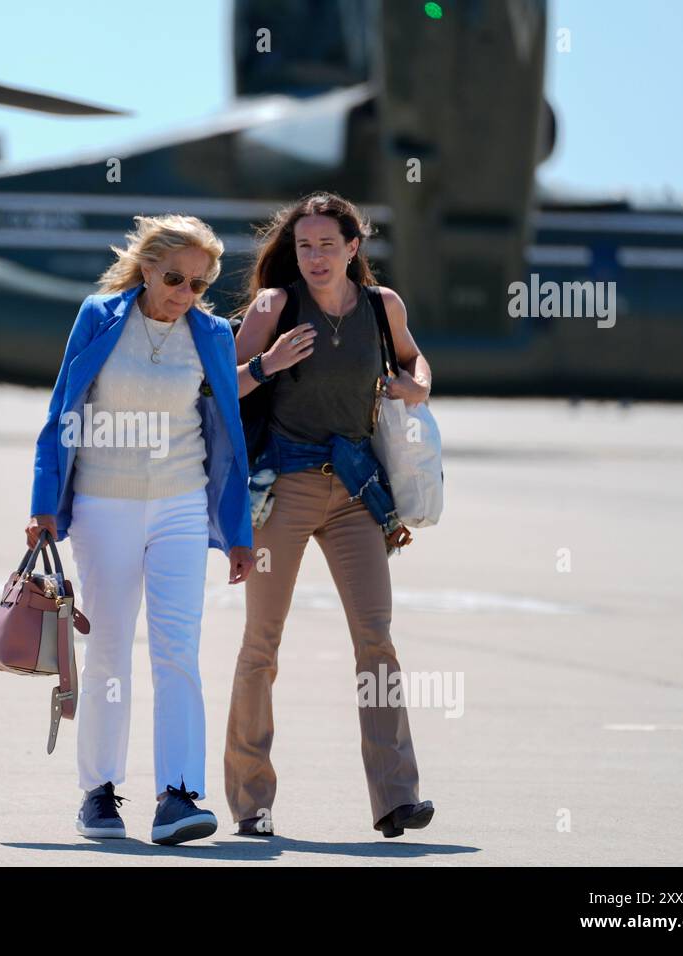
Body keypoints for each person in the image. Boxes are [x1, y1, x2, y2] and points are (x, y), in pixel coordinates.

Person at [28, 214, 254, 846]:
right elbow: (60, 414)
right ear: (147, 267)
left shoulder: (209, 333)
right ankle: (98, 793)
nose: (185, 293)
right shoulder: (99, 317)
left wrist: (237, 532)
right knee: (108, 650)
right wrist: (44, 503)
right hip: (105, 504)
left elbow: (230, 434)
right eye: (175, 278)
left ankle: (178, 795)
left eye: (200, 284)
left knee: (178, 648)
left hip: (181, 503)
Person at [225, 191, 436, 839]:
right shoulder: (274, 306)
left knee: (376, 640)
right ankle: (251, 801)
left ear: (353, 247)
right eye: (303, 245)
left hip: (354, 495)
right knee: (262, 643)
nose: (314, 257)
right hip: (281, 489)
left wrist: (418, 384)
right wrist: (267, 364)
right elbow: (218, 383)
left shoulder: (382, 306)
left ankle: (396, 796)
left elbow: (414, 361)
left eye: (326, 245)